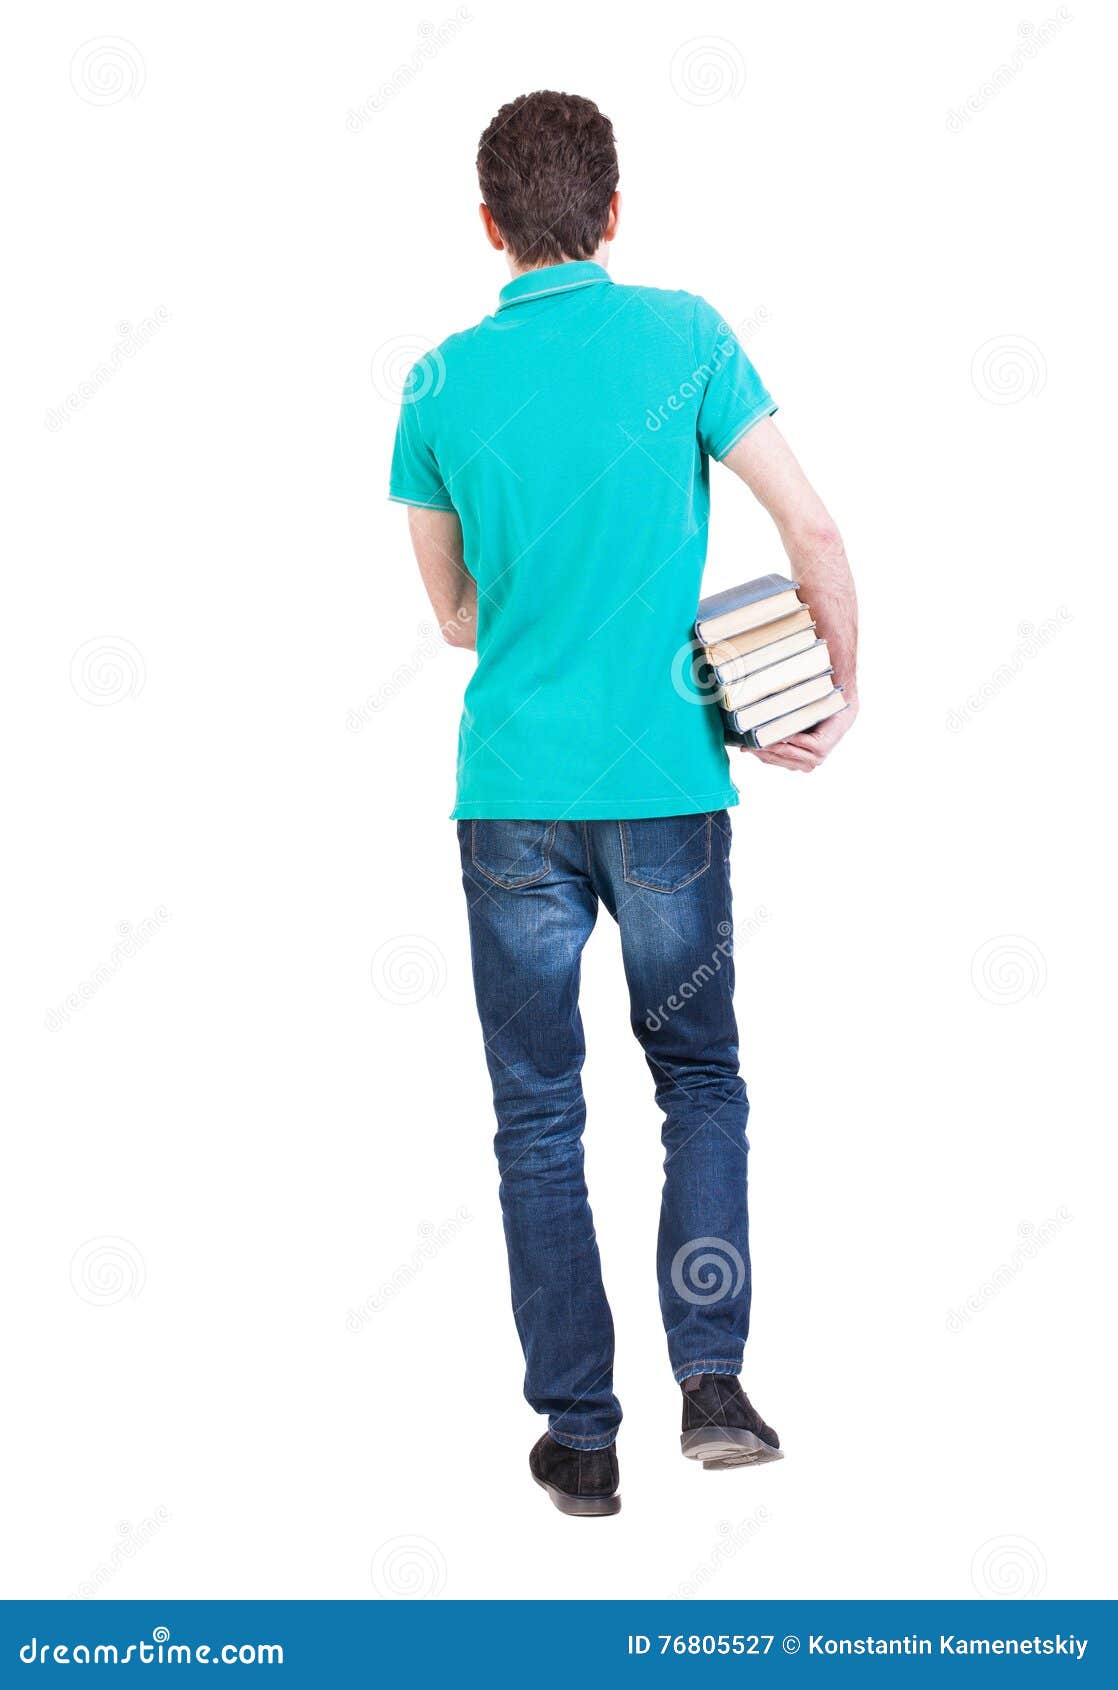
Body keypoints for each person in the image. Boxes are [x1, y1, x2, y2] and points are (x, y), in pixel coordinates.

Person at [389, 90, 858, 1516]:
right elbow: (811, 525)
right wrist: (826, 687)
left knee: (538, 1118)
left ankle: (579, 1439)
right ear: (611, 209)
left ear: (488, 226)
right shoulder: (685, 334)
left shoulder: (435, 384)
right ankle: (709, 1384)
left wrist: (541, 597)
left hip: (510, 804)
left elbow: (457, 615)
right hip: (665, 793)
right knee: (697, 1080)